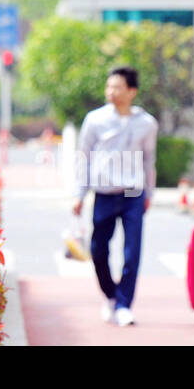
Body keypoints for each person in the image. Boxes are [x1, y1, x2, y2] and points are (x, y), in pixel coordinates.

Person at [72, 66, 158, 327]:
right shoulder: (95, 120)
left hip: (133, 191)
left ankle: (124, 304)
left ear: (132, 91)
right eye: (109, 86)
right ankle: (111, 294)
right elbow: (83, 157)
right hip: (104, 190)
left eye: (117, 87)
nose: (111, 91)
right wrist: (79, 194)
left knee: (132, 250)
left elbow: (148, 160)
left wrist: (149, 193)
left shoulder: (146, 123)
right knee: (98, 249)